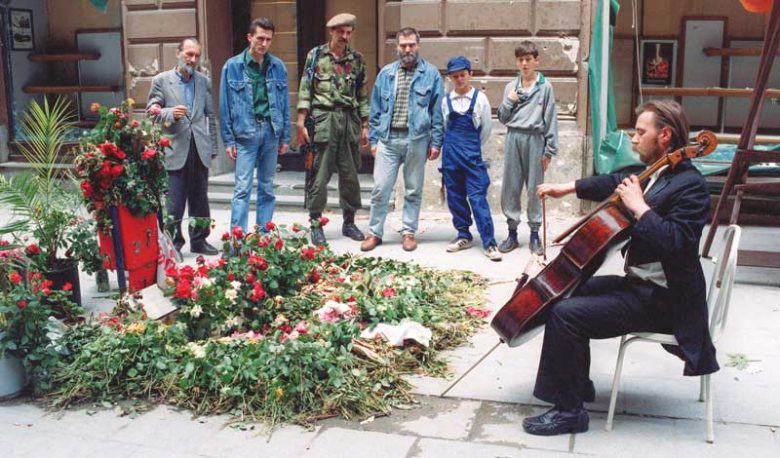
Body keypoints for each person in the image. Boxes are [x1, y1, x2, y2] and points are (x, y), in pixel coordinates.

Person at [523, 100, 717, 436]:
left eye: (641, 132)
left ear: (665, 136)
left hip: (664, 302)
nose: (633, 138)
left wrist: (640, 208)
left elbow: (678, 244)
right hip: (641, 287)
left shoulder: (692, 186)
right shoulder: (661, 171)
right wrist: (568, 188)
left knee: (566, 314)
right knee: (569, 291)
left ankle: (570, 413)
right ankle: (576, 385)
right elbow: (617, 181)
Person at [360, 27, 444, 252]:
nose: (407, 49)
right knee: (380, 188)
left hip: (417, 139)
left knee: (413, 189)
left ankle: (408, 232)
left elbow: (437, 111)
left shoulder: (431, 74)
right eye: (403, 45)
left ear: (418, 46)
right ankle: (374, 232)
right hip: (388, 140)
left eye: (411, 45)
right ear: (397, 47)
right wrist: (375, 140)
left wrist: (436, 142)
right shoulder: (386, 73)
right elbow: (375, 109)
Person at [296, 13, 368, 246]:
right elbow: (306, 87)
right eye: (341, 32)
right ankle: (316, 225)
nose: (345, 37)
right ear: (332, 31)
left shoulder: (357, 60)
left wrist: (366, 125)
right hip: (323, 118)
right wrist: (300, 120)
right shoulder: (316, 55)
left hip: (348, 120)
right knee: (319, 174)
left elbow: (362, 95)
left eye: (349, 32)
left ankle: (349, 223)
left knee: (350, 175)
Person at [147, 37, 219, 256]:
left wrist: (212, 147)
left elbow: (209, 116)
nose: (193, 59)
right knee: (174, 202)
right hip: (174, 148)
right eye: (189, 54)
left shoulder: (203, 80)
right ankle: (174, 243)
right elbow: (152, 111)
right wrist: (170, 113)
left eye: (196, 55)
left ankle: (199, 240)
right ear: (178, 53)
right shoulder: (162, 80)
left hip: (199, 147)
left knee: (200, 198)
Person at [220, 17, 290, 234]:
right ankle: (238, 240)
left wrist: (285, 136)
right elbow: (225, 105)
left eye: (269, 39)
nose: (264, 43)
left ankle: (263, 237)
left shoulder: (278, 66)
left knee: (267, 187)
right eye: (260, 38)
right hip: (245, 135)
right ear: (249, 37)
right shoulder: (232, 67)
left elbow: (285, 103)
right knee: (242, 189)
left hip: (271, 132)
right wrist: (228, 139)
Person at [497, 41, 558, 255]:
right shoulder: (510, 87)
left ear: (536, 61)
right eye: (520, 60)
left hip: (535, 139)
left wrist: (549, 150)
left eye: (528, 59)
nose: (524, 64)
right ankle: (512, 234)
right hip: (514, 137)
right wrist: (509, 101)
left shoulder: (545, 87)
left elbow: (550, 119)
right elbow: (502, 118)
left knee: (535, 187)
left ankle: (534, 235)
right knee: (511, 186)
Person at [439, 56, 501, 261]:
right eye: (455, 76)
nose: (459, 79)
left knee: (477, 198)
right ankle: (463, 235)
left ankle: (489, 243)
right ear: (450, 78)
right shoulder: (446, 101)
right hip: (451, 158)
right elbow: (446, 127)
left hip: (472, 158)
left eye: (462, 75)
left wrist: (471, 148)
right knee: (455, 197)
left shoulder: (480, 100)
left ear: (470, 74)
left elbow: (486, 130)